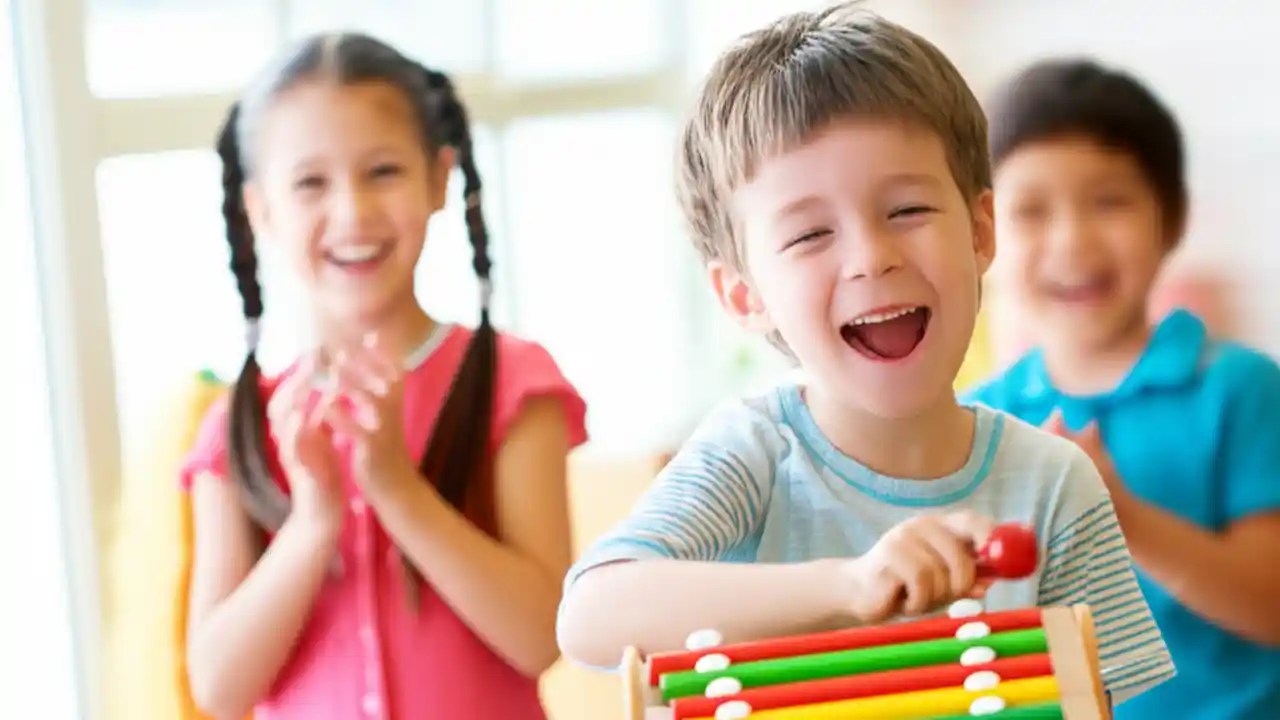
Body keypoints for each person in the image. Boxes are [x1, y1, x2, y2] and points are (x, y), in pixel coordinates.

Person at [556, 3, 1174, 707]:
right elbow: (591, 618)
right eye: (810, 234)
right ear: (743, 295)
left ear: (979, 231)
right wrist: (850, 584)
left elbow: (1104, 700)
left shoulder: (1054, 484)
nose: (872, 258)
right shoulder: (755, 453)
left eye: (907, 211)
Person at [180, 33, 587, 720]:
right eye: (311, 182)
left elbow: (539, 636)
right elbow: (219, 687)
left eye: (383, 171)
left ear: (438, 179)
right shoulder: (238, 427)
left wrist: (395, 486)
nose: (353, 213)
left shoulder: (513, 384)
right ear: (261, 212)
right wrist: (313, 523)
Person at [965, 58, 1280, 719]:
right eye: (1031, 211)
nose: (1072, 240)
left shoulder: (1240, 389)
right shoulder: (980, 419)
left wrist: (1124, 518)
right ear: (984, 234)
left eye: (1109, 201)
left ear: (1171, 220)